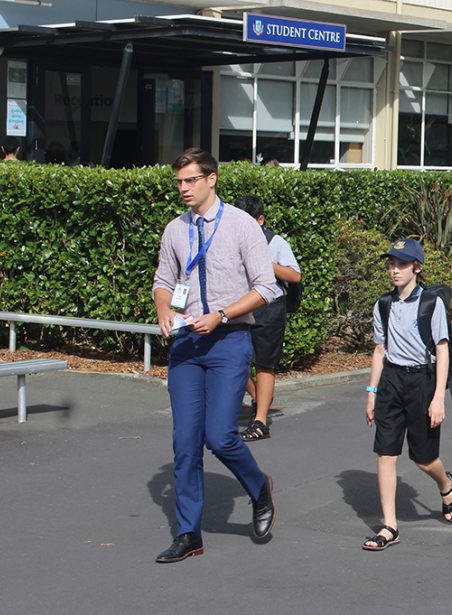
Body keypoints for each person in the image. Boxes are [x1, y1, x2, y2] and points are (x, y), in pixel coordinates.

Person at [151, 148, 278, 563]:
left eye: (190, 180)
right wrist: (164, 310)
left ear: (211, 179)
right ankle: (190, 534)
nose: (184, 189)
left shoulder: (241, 226)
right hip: (187, 343)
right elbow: (164, 280)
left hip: (228, 340)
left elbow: (265, 287)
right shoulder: (175, 230)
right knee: (185, 443)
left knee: (220, 435)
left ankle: (259, 488)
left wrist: (221, 315)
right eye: (179, 182)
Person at [362, 238, 452, 551]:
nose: (394, 270)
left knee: (423, 459)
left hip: (423, 381)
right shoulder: (383, 305)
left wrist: (438, 398)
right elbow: (380, 350)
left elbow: (442, 350)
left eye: (402, 264)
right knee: (386, 453)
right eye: (391, 263)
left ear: (417, 267)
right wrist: (372, 392)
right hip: (392, 381)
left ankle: (446, 485)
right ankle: (389, 526)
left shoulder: (432, 303)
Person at [233, 195, 302, 442]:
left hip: (269, 307)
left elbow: (295, 276)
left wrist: (268, 263)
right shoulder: (231, 239)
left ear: (260, 220)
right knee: (234, 360)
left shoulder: (275, 242)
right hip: (240, 307)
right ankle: (258, 398)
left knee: (264, 363)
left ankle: (260, 421)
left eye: (247, 221)